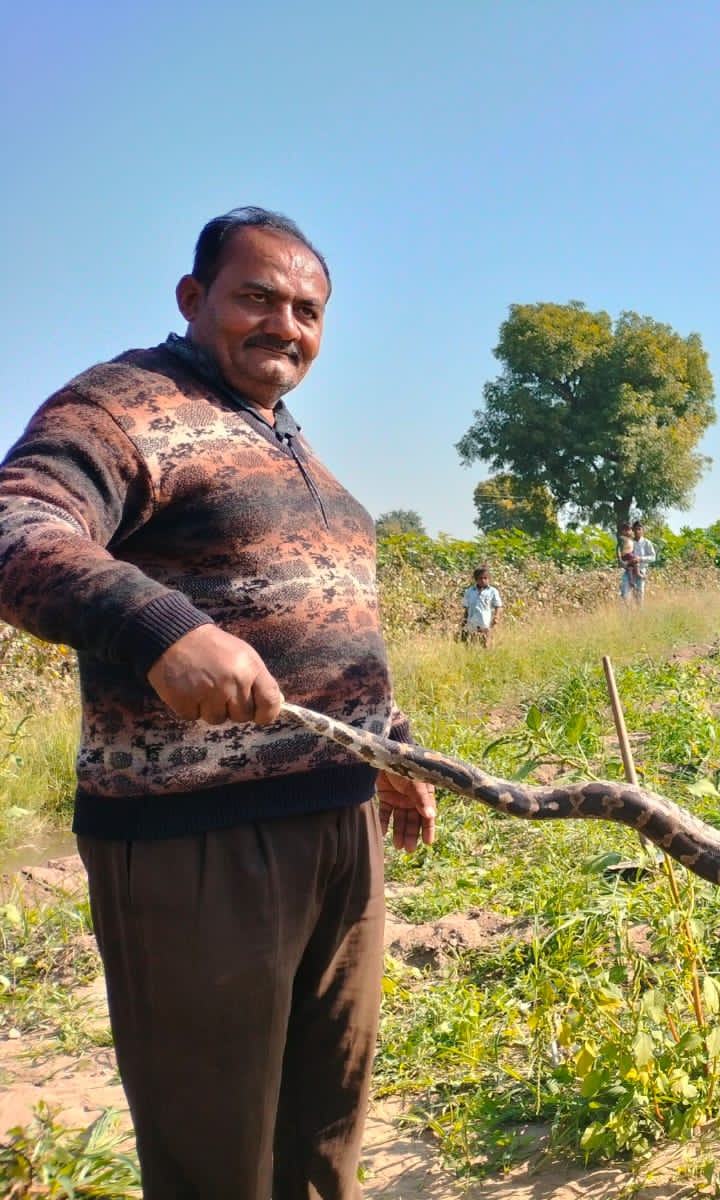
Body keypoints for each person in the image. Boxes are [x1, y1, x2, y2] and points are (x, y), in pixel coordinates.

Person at [0, 207, 437, 1198]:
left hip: (335, 827)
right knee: (216, 1161)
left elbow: (330, 634)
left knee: (321, 1140)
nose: (285, 324)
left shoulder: (290, 442)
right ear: (193, 300)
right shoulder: (120, 407)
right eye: (257, 298)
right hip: (196, 845)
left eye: (308, 310)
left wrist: (395, 760)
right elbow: (18, 522)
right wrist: (162, 630)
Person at [460, 564, 503, 646]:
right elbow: (466, 608)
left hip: (485, 621)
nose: (483, 580)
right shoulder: (469, 591)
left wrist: (496, 617)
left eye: (485, 578)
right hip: (472, 621)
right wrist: (464, 621)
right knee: (471, 644)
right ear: (476, 579)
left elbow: (498, 606)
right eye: (480, 578)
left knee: (485, 644)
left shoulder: (492, 591)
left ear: (489, 579)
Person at [622, 519, 657, 604]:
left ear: (642, 530)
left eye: (639, 529)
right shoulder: (629, 542)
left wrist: (640, 559)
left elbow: (653, 557)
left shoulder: (646, 543)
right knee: (625, 594)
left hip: (641, 571)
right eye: (635, 529)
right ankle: (627, 615)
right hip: (629, 571)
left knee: (639, 596)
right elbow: (623, 556)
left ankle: (638, 615)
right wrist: (626, 563)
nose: (637, 531)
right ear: (632, 530)